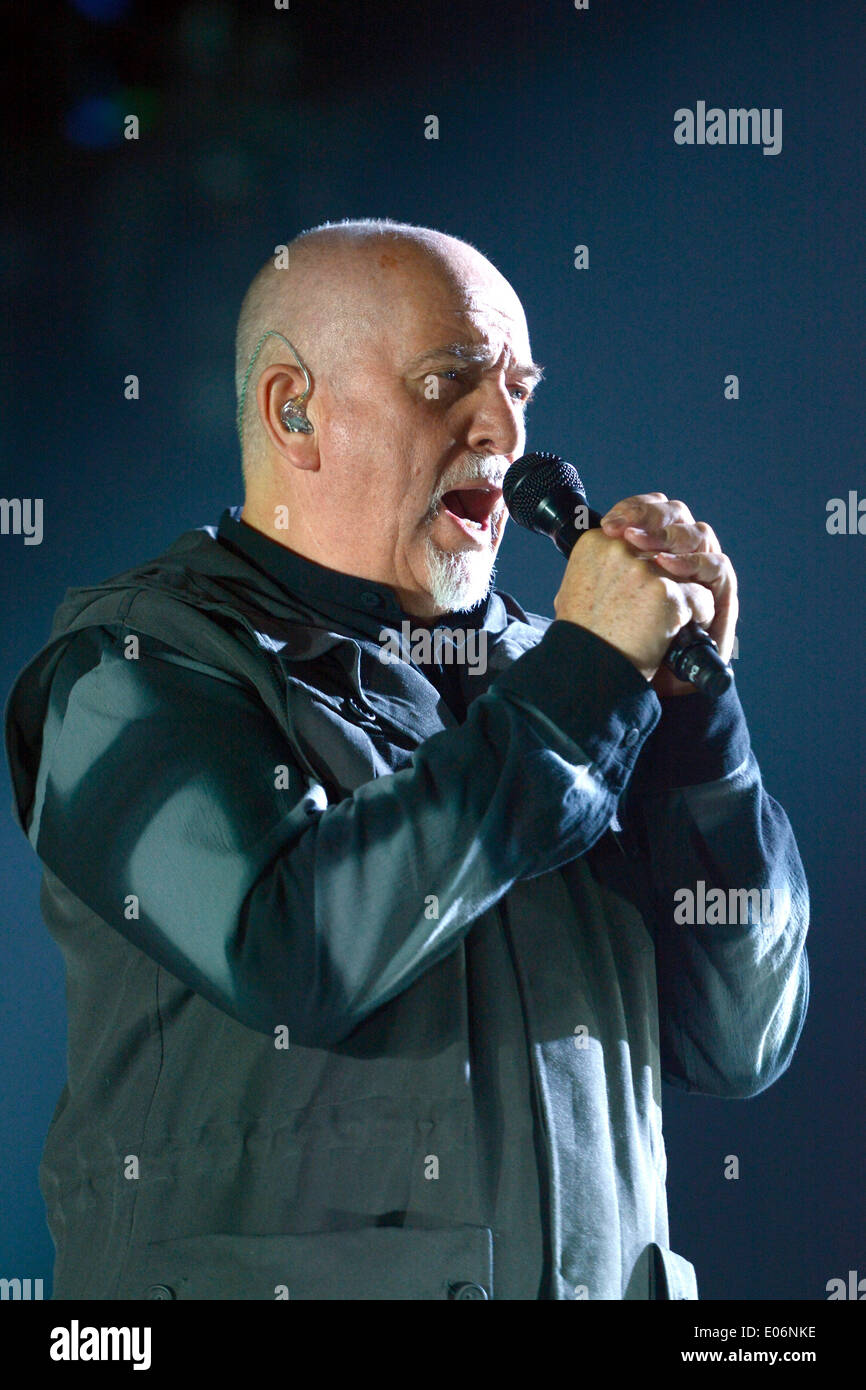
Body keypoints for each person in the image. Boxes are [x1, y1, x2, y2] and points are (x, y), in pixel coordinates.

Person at [4, 218, 809, 1301]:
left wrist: (690, 724)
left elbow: (738, 1038)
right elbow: (289, 953)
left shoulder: (556, 671)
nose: (505, 428)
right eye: (449, 383)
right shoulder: (134, 663)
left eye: (520, 386)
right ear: (296, 412)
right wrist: (580, 687)